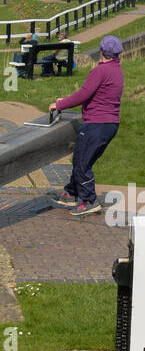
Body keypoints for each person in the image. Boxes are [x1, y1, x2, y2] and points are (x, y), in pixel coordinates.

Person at [49, 35, 124, 217]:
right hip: (110, 124)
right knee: (83, 159)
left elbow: (83, 95)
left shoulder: (100, 71)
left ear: (101, 52)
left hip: (97, 124)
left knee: (82, 163)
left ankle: (89, 201)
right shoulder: (117, 70)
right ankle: (71, 192)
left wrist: (59, 105)